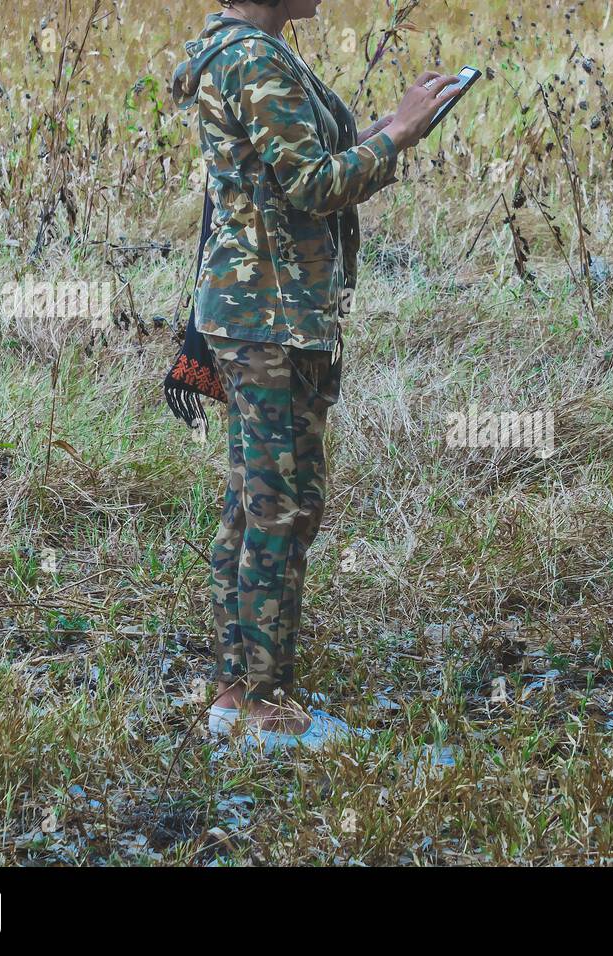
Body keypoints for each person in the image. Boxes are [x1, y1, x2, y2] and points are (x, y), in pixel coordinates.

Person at [170, 0, 461, 750]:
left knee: (256, 497)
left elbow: (293, 172)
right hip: (271, 311)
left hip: (265, 309)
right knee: (281, 503)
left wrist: (388, 133)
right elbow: (311, 186)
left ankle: (236, 693)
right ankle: (263, 707)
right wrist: (396, 135)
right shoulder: (256, 58)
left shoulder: (245, 50)